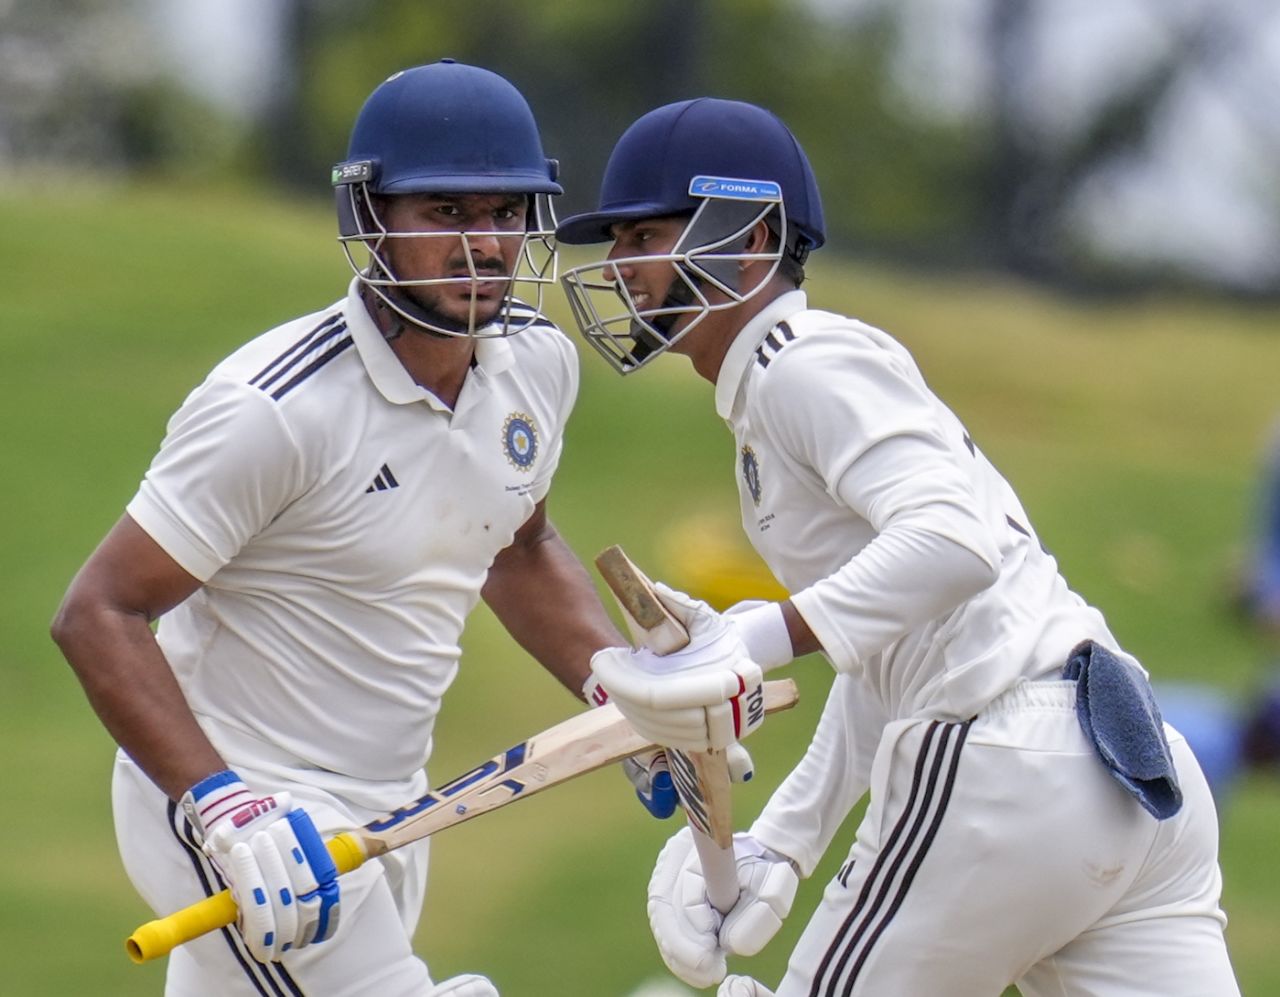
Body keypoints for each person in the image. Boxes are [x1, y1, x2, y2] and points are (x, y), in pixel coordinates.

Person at [557, 98, 1241, 996]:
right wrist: (790, 837)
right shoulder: (781, 391)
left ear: (752, 237)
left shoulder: (798, 363)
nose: (622, 266)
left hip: (1009, 756)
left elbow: (954, 542)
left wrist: (754, 640)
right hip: (1130, 766)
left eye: (646, 233)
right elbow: (896, 645)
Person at [50, 61, 672, 997]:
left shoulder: (538, 364)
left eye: (505, 214)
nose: (483, 247)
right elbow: (98, 611)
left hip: (392, 806)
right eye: (448, 215)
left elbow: (518, 545)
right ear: (369, 218)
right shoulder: (275, 408)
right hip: (245, 808)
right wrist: (226, 806)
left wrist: (620, 692)